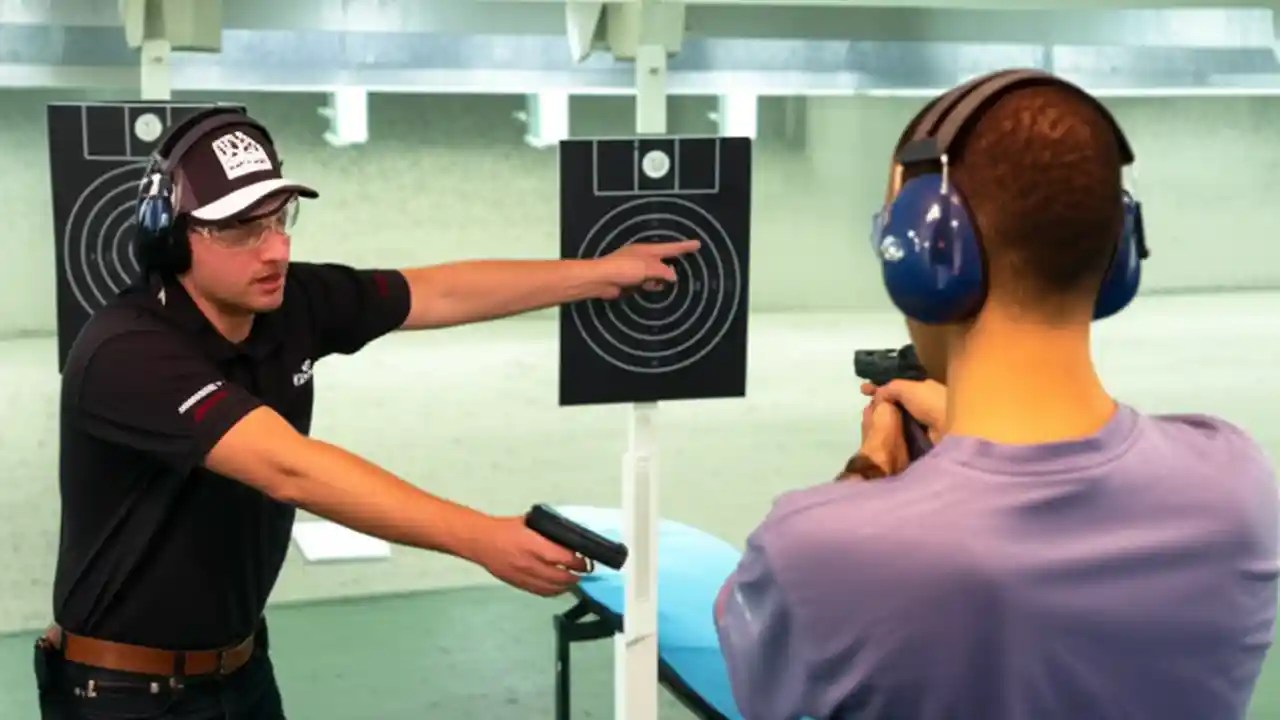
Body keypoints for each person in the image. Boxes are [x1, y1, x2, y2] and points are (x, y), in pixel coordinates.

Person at [34, 106, 700, 719]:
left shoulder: (289, 300)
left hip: (240, 670)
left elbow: (434, 291)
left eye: (277, 220)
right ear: (171, 240)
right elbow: (289, 469)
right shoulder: (127, 353)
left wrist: (599, 273)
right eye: (240, 229)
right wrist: (480, 537)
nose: (275, 250)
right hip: (118, 696)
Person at [713, 69, 1279, 719]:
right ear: (1118, 253)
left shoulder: (819, 547)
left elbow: (753, 667)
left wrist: (865, 478)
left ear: (924, 256)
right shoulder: (1236, 483)